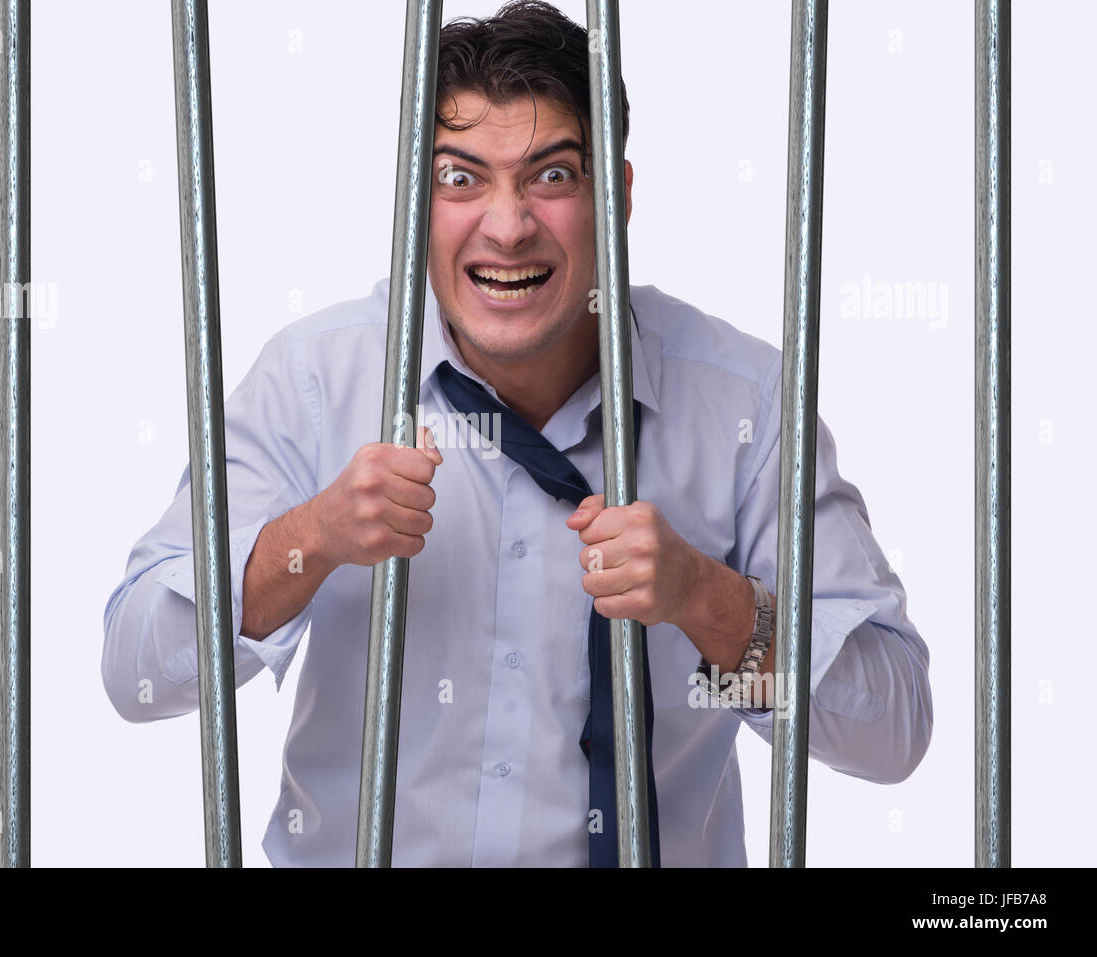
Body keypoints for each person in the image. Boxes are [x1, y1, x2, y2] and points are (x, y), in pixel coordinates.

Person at [101, 0, 932, 866]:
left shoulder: (743, 403)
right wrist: (309, 541)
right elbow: (134, 670)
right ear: (416, 201)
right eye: (460, 178)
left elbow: (896, 727)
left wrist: (705, 599)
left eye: (552, 176)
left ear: (619, 195)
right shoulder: (317, 380)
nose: (506, 225)